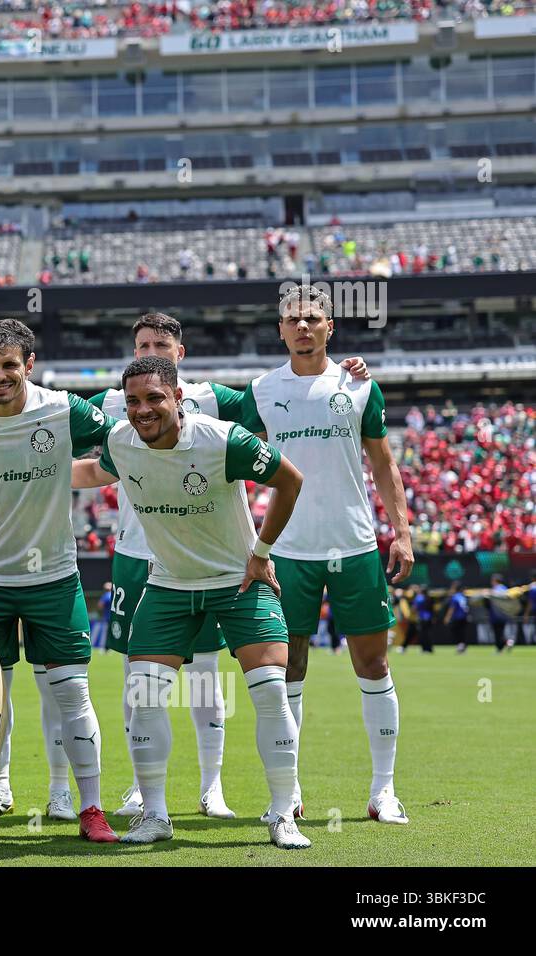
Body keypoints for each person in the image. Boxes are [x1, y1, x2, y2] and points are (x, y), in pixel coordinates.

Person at [79, 312, 370, 822]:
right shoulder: (114, 414)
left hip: (228, 567)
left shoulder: (216, 409)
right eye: (143, 343)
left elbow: (286, 405)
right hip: (143, 557)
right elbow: (78, 457)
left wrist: (335, 373)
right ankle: (147, 802)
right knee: (140, 680)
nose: (153, 350)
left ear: (180, 355)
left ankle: (222, 790)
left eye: (163, 343)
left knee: (212, 677)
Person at [74, 355, 310, 849]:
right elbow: (94, 472)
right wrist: (10, 470)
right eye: (134, 401)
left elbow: (291, 481)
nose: (143, 410)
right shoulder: (120, 441)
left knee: (269, 691)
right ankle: (155, 815)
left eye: (155, 398)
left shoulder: (222, 440)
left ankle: (283, 813)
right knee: (143, 698)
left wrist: (261, 553)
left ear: (179, 397)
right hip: (170, 584)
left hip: (236, 581)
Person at [236, 284, 413, 826]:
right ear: (281, 329)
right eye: (293, 319)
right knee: (288, 671)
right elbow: (232, 461)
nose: (303, 327)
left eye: (313, 317)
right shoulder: (261, 390)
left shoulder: (359, 386)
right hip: (287, 550)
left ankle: (383, 791)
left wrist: (401, 532)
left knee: (374, 664)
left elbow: (384, 466)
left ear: (330, 326)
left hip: (356, 544)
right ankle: (287, 793)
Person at [0, 319, 117, 843]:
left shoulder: (62, 410)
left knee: (72, 694)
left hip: (55, 578)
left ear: (29, 366)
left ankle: (91, 809)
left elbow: (120, 442)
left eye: (9, 365)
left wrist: (77, 476)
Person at [445, 581, 471, 652]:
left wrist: (447, 618)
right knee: (462, 632)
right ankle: (462, 645)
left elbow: (452, 609)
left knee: (455, 631)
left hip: (457, 617)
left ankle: (460, 645)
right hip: (464, 617)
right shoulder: (463, 596)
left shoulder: (455, 597)